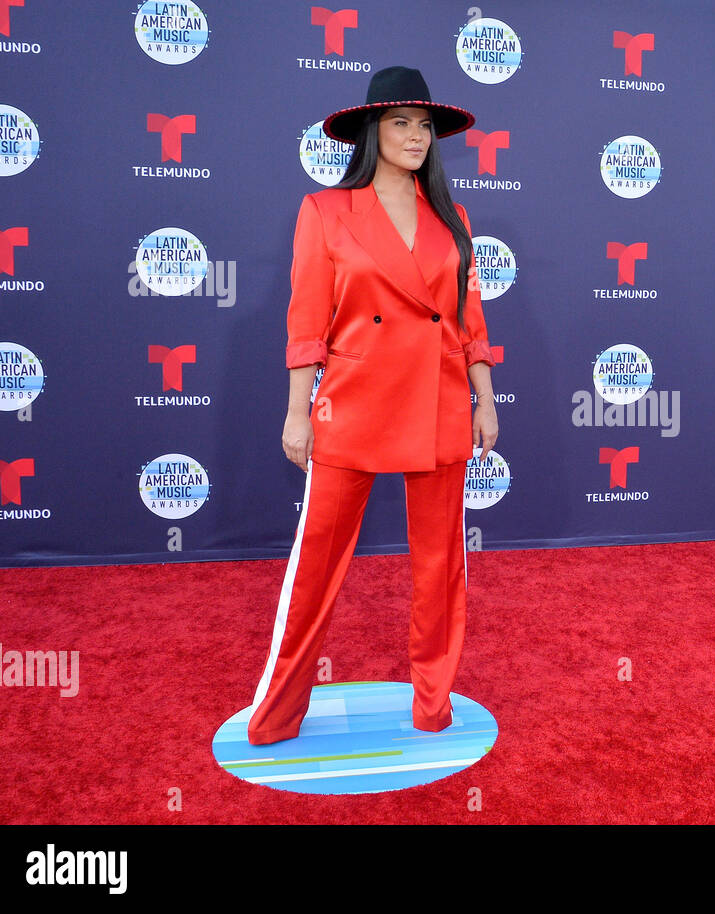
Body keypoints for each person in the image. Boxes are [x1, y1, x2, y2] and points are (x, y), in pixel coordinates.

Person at [245, 67, 497, 746]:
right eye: (400, 123)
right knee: (316, 570)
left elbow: (468, 318)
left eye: (424, 126)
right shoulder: (325, 211)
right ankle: (276, 714)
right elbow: (306, 323)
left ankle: (434, 706)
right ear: (370, 131)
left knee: (441, 567)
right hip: (351, 406)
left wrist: (485, 399)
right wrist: (298, 413)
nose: (416, 137)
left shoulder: (454, 217)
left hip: (439, 401)